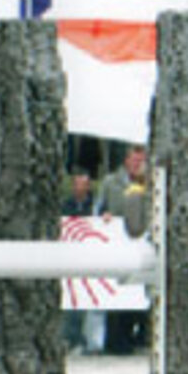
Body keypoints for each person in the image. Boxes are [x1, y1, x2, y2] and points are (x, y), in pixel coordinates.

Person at [100, 146, 151, 353]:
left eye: (141, 160)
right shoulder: (111, 182)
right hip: (118, 245)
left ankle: (139, 338)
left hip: (141, 244)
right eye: (134, 159)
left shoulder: (151, 183)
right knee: (116, 293)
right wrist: (104, 216)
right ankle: (116, 341)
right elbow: (100, 208)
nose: (138, 164)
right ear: (126, 160)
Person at [61, 168, 106, 356]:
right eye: (77, 183)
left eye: (84, 184)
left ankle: (92, 342)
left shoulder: (96, 207)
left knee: (92, 301)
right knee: (71, 301)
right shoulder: (65, 205)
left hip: (92, 257)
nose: (80, 187)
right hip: (70, 258)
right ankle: (71, 338)